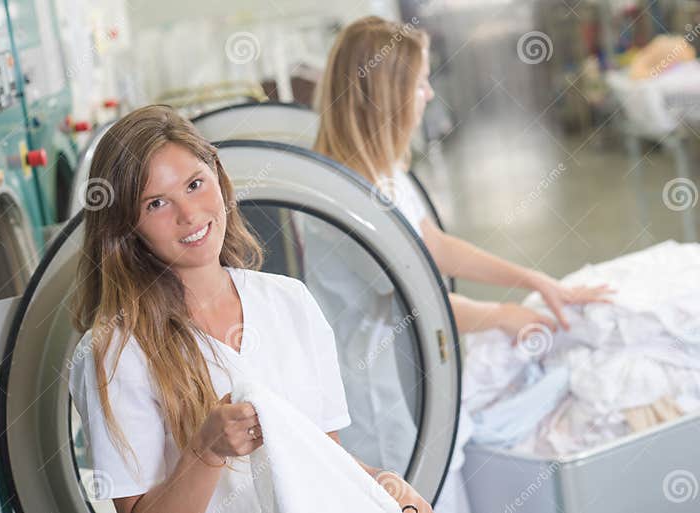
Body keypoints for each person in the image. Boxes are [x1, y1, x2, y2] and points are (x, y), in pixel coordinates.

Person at [307, 16, 614, 512]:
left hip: (421, 379)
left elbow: (434, 246)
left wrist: (530, 279)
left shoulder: (385, 173)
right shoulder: (346, 198)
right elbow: (418, 300)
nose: (428, 94)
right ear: (386, 94)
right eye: (419, 83)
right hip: (386, 400)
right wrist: (501, 315)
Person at [68, 105, 433, 513]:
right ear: (126, 227)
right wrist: (206, 451)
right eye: (156, 204)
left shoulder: (290, 302)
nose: (188, 215)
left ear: (219, 180)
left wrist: (383, 487)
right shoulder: (115, 352)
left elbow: (320, 462)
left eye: (194, 184)